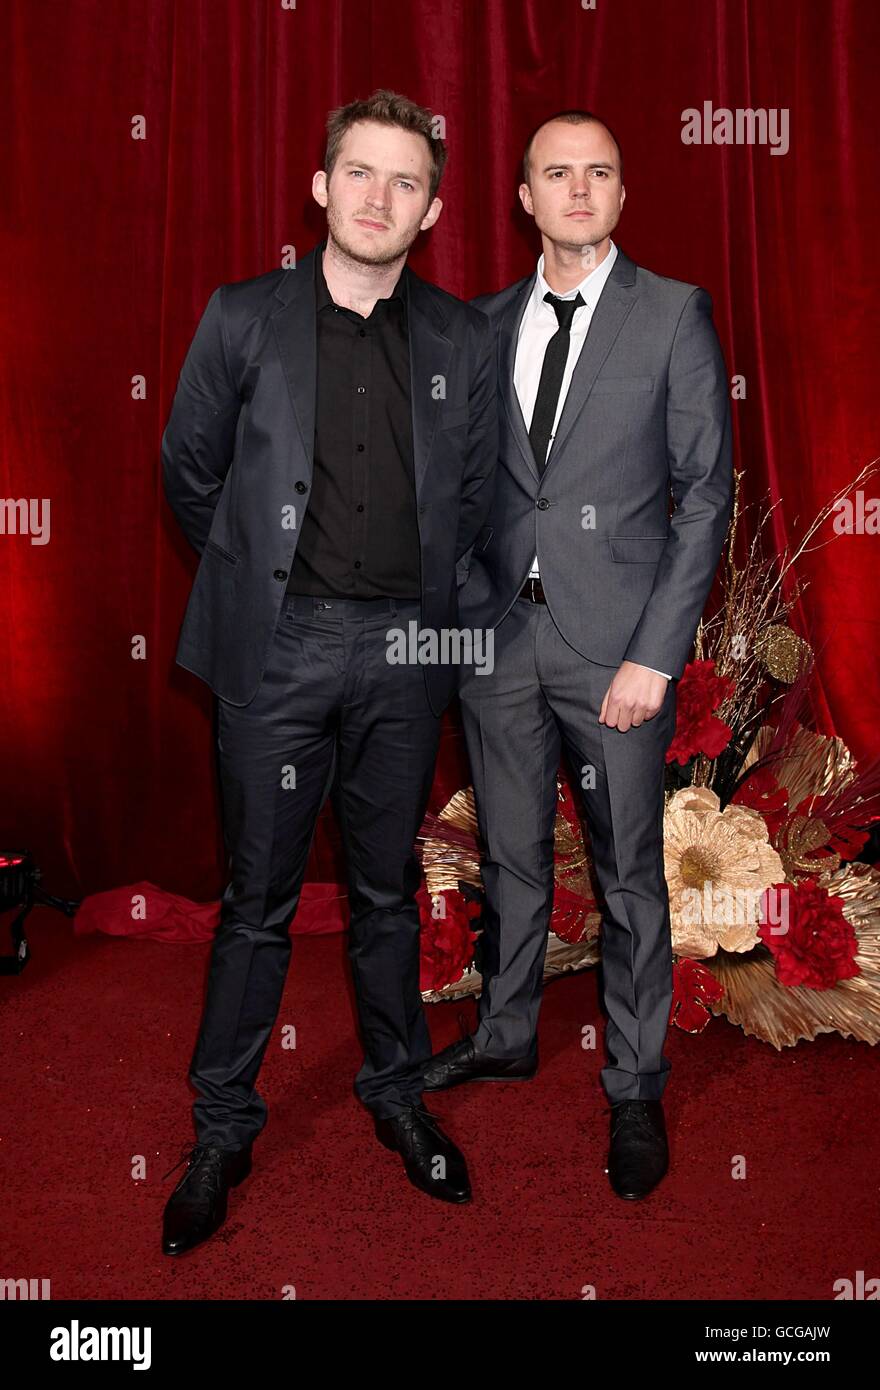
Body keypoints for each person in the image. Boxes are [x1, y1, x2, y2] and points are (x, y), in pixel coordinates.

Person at [160, 89, 497, 1254]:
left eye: (405, 182)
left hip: (408, 653)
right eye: (359, 173)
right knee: (253, 904)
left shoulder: (462, 339)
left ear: (433, 209)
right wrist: (265, 584)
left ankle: (397, 1094)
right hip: (280, 648)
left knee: (387, 893)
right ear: (320, 186)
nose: (378, 197)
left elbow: (479, 508)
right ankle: (220, 1127)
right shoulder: (242, 317)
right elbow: (190, 472)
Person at [422, 110, 733, 1201]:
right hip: (500, 640)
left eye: (599, 172)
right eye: (557, 173)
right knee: (507, 855)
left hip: (616, 654)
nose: (579, 189)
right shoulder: (482, 323)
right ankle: (506, 1031)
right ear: (523, 196)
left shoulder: (671, 315)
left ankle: (636, 1085)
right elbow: (463, 494)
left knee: (627, 871)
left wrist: (656, 654)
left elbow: (704, 498)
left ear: (620, 192)